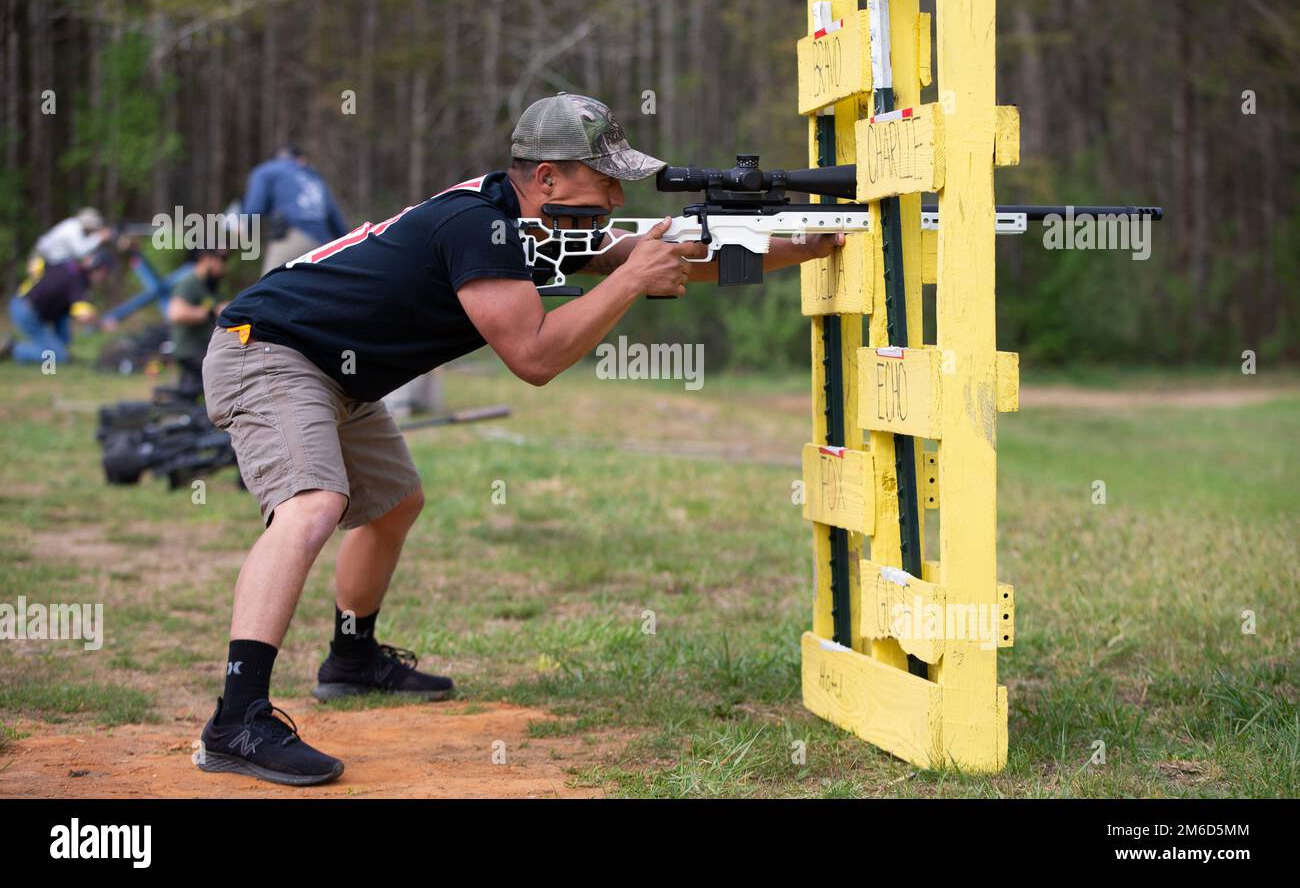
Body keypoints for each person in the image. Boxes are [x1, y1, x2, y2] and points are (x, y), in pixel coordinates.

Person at [196, 92, 843, 786]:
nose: (618, 193)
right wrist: (628, 281)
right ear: (547, 177)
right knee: (314, 504)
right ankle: (236, 721)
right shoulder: (482, 227)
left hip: (334, 370)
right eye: (606, 177)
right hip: (266, 350)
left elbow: (675, 260)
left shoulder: (532, 227)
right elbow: (534, 358)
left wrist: (801, 248)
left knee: (394, 504)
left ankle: (350, 661)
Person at [242, 146, 349, 275]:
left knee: (267, 290)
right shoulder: (315, 177)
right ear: (301, 159)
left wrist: (245, 230)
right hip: (323, 244)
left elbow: (254, 209)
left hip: (291, 237)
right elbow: (337, 222)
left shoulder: (265, 171)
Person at [2, 249, 114, 366]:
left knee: (65, 317)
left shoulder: (69, 265)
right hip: (26, 312)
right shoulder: (78, 281)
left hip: (21, 302)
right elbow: (83, 316)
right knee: (57, 356)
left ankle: (56, 349)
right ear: (102, 271)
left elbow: (37, 264)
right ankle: (13, 349)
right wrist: (102, 324)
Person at [165, 247, 229, 397]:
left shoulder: (209, 285)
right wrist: (212, 312)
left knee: (189, 396)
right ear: (207, 259)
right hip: (190, 351)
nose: (224, 267)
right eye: (222, 261)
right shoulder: (190, 281)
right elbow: (176, 313)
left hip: (201, 347)